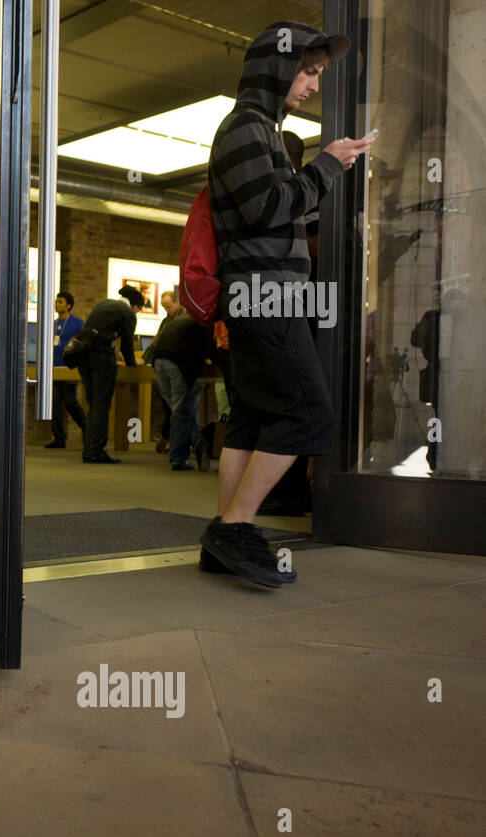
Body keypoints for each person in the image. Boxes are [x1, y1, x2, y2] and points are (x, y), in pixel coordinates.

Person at [199, 21, 372, 587]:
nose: (315, 85)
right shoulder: (247, 128)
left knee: (253, 415)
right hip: (265, 296)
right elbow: (266, 208)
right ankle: (236, 528)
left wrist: (321, 176)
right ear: (279, 67)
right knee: (308, 413)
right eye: (310, 71)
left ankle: (226, 534)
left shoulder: (261, 130)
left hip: (262, 295)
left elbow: (276, 210)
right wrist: (325, 166)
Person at [148, 300, 215, 470]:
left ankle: (188, 450)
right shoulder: (205, 324)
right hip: (176, 363)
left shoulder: (183, 319)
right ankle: (183, 454)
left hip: (159, 361)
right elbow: (208, 352)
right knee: (180, 411)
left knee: (178, 410)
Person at [77, 287, 142, 464]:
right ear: (135, 305)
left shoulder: (104, 304)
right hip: (101, 360)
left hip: (84, 358)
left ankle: (88, 450)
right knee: (101, 406)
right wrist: (133, 366)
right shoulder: (127, 313)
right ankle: (96, 451)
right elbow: (128, 346)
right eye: (139, 309)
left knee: (93, 406)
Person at [145, 290, 187, 453]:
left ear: (177, 302)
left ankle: (173, 441)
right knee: (169, 405)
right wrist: (145, 358)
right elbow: (156, 342)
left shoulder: (184, 319)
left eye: (168, 307)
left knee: (176, 407)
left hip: (179, 366)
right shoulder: (166, 321)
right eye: (163, 307)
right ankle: (171, 439)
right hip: (165, 365)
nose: (166, 311)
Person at [44, 291, 87, 449]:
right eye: (56, 301)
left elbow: (82, 343)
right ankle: (59, 438)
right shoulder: (53, 324)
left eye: (60, 302)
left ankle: (88, 430)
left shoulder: (77, 323)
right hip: (54, 369)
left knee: (70, 401)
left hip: (69, 368)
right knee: (54, 403)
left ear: (69, 305)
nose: (57, 304)